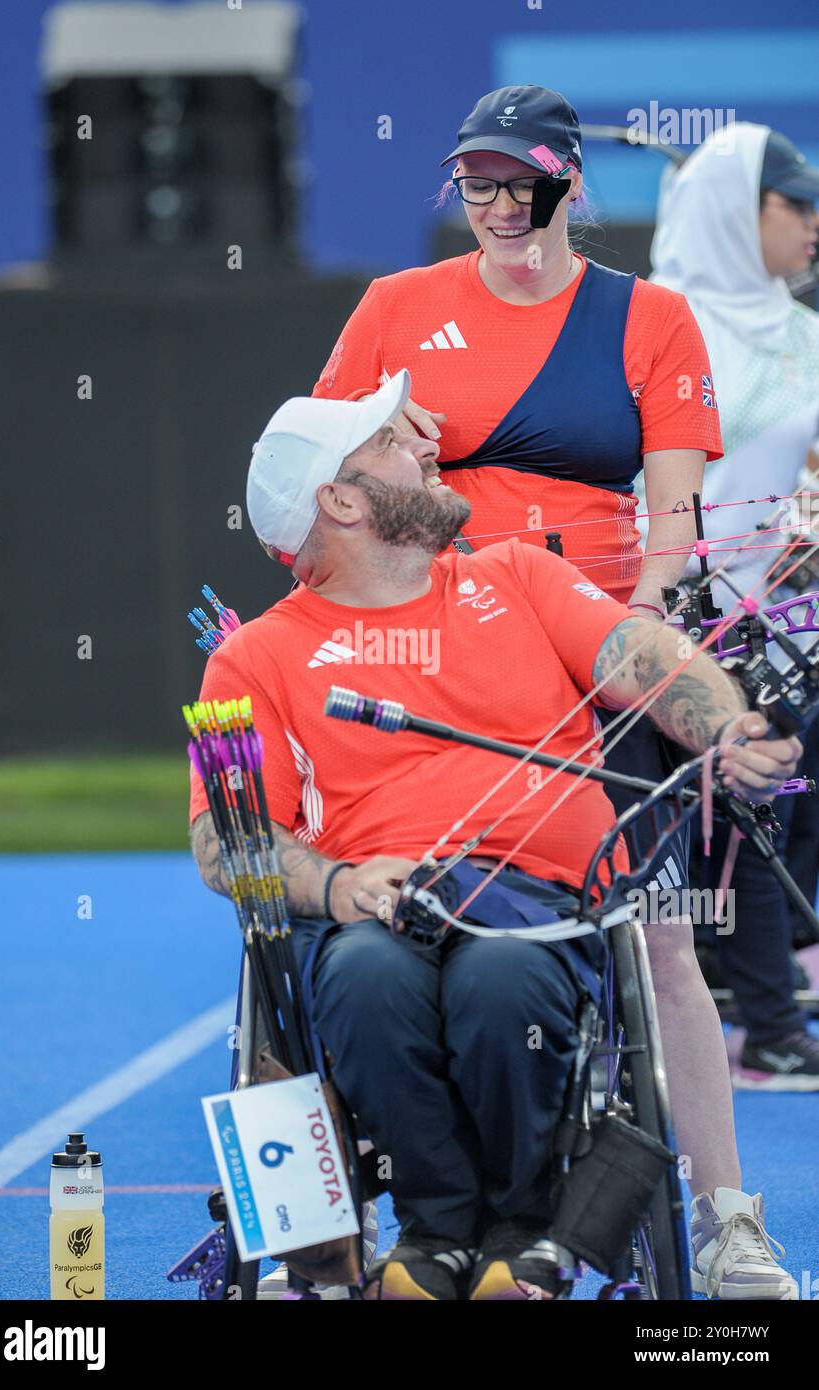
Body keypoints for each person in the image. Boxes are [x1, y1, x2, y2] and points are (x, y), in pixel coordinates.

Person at [189, 374, 800, 1299]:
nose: (426, 449)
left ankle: (513, 1234)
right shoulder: (255, 654)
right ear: (341, 500)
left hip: (536, 904)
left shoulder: (514, 574)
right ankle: (437, 1235)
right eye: (394, 443)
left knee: (499, 972)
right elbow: (225, 845)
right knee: (367, 976)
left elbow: (642, 658)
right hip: (371, 915)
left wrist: (725, 724)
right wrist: (337, 882)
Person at [309, 84, 771, 1293]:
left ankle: (726, 1219)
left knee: (663, 943)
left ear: (569, 182)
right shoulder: (394, 308)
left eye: (522, 181)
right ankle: (405, 1208)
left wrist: (652, 611)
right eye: (477, 182)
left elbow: (673, 516)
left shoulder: (647, 315)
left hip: (592, 646)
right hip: (436, 644)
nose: (500, 205)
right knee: (399, 916)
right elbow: (315, 476)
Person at [648, 122, 819, 1087]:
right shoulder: (661, 322)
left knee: (783, 808)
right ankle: (766, 1023)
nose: (810, 222)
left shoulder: (802, 331)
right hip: (685, 616)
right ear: (732, 212)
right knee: (740, 813)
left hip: (792, 616)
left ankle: (754, 992)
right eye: (791, 203)